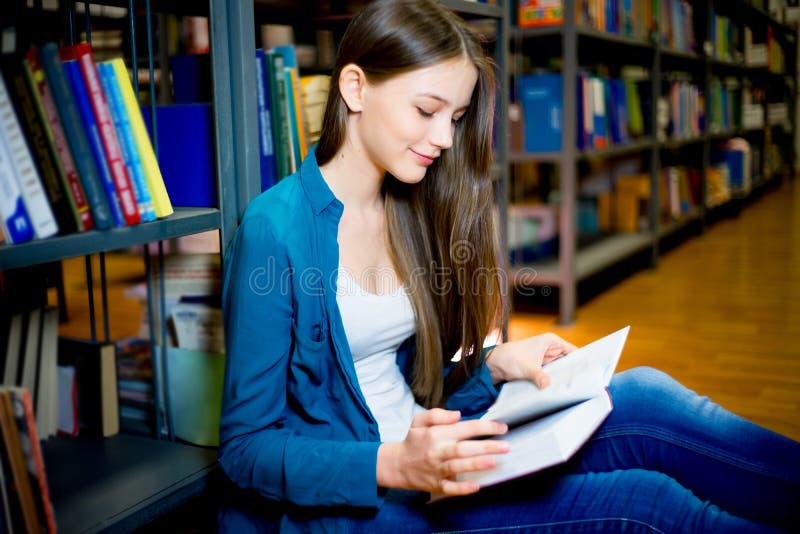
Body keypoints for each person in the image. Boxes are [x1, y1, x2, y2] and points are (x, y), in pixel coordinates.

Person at [218, 1, 800, 531]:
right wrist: (395, 463)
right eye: (426, 110)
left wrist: (493, 365)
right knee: (650, 506)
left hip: (438, 445)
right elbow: (245, 449)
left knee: (647, 398)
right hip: (375, 495)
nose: (444, 137)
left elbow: (403, 382)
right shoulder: (275, 229)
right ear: (355, 88)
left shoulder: (408, 203)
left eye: (457, 116)